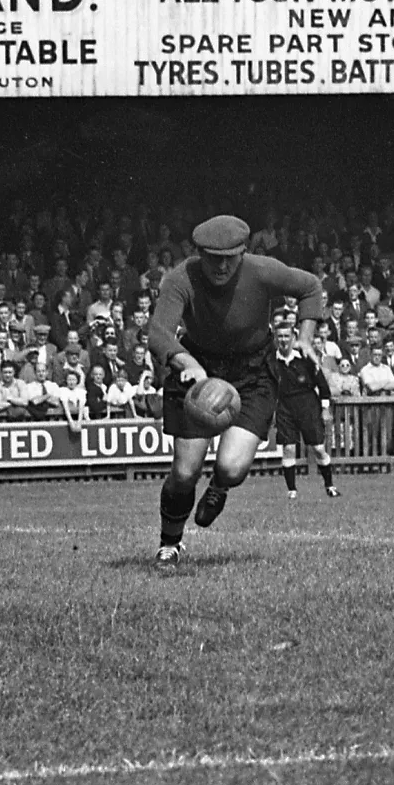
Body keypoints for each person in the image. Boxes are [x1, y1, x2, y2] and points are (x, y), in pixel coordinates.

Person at [146, 214, 325, 567]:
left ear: (243, 253)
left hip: (253, 371)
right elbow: (158, 333)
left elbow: (311, 287)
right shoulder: (181, 277)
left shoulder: (262, 270)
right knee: (184, 472)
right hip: (197, 369)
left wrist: (305, 338)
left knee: (231, 467)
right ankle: (170, 542)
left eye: (230, 257)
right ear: (200, 254)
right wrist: (188, 364)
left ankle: (220, 487)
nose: (222, 265)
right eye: (213, 257)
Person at [268, 323, 338, 500]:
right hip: (285, 406)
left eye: (286, 336)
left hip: (308, 404)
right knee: (288, 448)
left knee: (318, 448)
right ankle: (292, 491)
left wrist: (325, 409)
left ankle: (329, 485)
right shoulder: (272, 361)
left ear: (293, 338)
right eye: (280, 336)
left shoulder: (306, 358)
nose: (283, 340)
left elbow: (322, 385)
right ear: (276, 339)